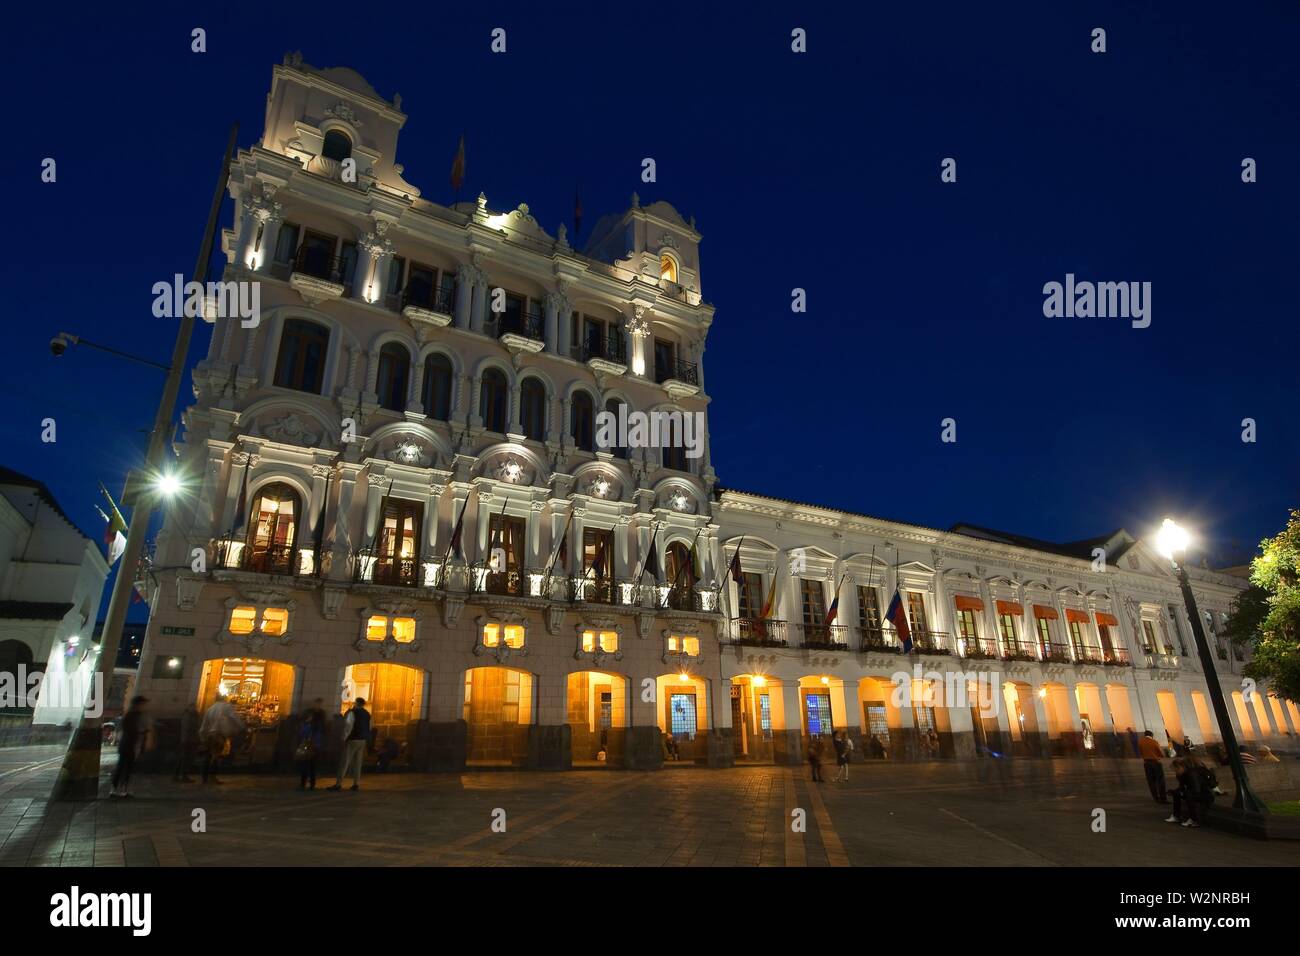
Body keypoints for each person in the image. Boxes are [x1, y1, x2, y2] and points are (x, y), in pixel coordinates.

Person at [328, 697, 371, 791]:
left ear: (356, 703)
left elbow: (348, 726)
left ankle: (338, 783)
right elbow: (370, 726)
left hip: (353, 739)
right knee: (358, 762)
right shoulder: (367, 714)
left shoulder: (353, 712)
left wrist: (343, 738)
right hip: (362, 740)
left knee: (345, 761)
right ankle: (356, 783)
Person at [110, 696, 149, 798]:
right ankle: (116, 789)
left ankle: (123, 789)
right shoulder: (131, 715)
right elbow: (129, 729)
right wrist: (141, 732)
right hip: (127, 745)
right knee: (122, 767)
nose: (144, 706)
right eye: (142, 704)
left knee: (127, 768)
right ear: (137, 704)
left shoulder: (136, 714)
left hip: (129, 744)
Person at [199, 694, 242, 784]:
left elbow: (204, 724)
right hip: (219, 735)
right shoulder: (226, 707)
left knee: (208, 755)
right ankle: (212, 777)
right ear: (224, 699)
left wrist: (202, 736)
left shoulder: (210, 709)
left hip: (209, 735)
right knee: (216, 756)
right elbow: (234, 717)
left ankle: (204, 777)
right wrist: (241, 726)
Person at [1166, 756, 1213, 828]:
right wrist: (1175, 792)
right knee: (1177, 794)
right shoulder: (1183, 775)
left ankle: (1194, 819)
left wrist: (1184, 792)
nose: (1176, 772)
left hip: (1205, 795)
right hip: (1198, 793)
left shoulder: (1192, 774)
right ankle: (1176, 816)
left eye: (1176, 769)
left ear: (1182, 767)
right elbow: (1182, 787)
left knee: (1189, 796)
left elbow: (1196, 790)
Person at [296, 700, 325, 790]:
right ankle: (312, 783)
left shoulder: (308, 725)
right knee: (312, 765)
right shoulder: (319, 725)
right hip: (315, 746)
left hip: (308, 746)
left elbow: (301, 734)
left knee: (305, 764)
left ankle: (304, 782)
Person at [1138, 730, 1168, 803]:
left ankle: (1155, 798)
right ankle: (1163, 798)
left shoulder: (1140, 742)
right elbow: (1161, 753)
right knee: (1160, 781)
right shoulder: (1154, 742)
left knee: (1151, 781)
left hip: (1146, 763)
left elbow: (1140, 751)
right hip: (1155, 762)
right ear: (1151, 735)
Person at [173, 703, 199, 782]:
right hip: (187, 740)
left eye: (195, 707)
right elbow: (188, 728)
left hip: (189, 739)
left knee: (184, 758)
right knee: (185, 759)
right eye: (193, 707)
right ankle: (182, 776)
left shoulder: (194, 715)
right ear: (189, 707)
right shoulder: (188, 716)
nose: (194, 708)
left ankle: (178, 775)